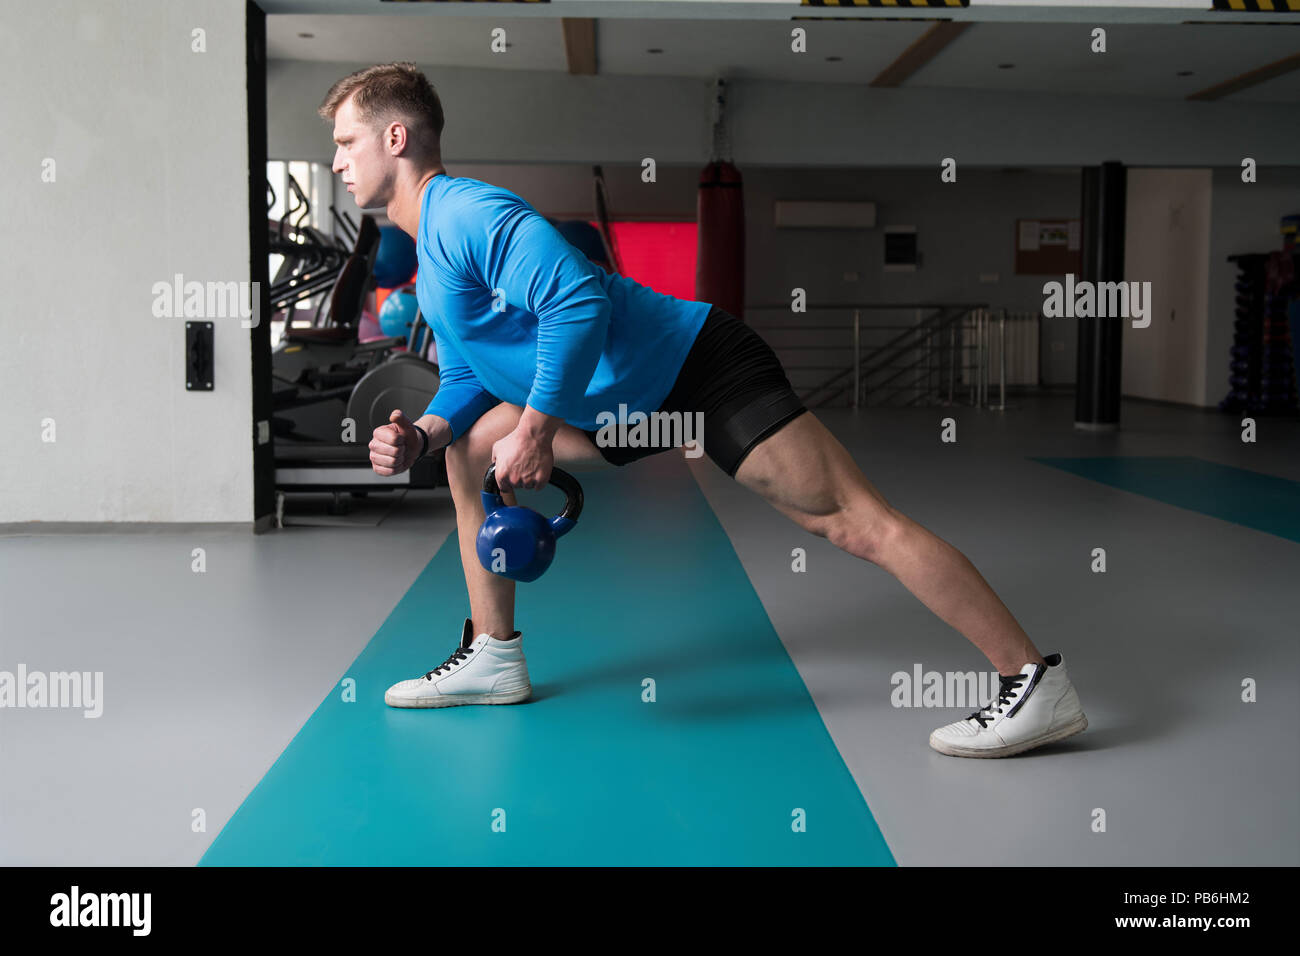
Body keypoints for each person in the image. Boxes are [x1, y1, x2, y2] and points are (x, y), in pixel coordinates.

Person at [320, 62, 1087, 758]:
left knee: (853, 522)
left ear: (397, 136)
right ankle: (494, 657)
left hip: (698, 369)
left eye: (347, 141)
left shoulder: (468, 214)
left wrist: (535, 429)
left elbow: (579, 303)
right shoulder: (428, 256)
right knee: (465, 446)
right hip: (619, 403)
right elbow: (469, 372)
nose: (337, 160)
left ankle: (1033, 681)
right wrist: (423, 431)